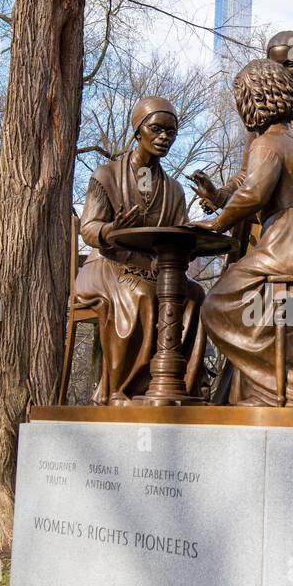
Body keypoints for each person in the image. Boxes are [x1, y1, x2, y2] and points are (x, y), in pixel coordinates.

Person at [195, 59, 293, 407]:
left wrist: (216, 224)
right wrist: (219, 196)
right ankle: (278, 385)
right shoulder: (290, 138)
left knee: (220, 301)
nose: (239, 107)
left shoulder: (267, 142)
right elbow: (247, 184)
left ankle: (292, 384)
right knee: (265, 299)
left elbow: (253, 193)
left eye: (241, 98)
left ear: (254, 98)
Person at [73, 96, 206, 404]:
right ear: (138, 132)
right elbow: (89, 229)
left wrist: (195, 237)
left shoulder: (173, 190)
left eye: (171, 133)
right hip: (105, 263)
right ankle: (125, 389)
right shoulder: (105, 177)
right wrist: (110, 229)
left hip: (153, 269)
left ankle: (177, 383)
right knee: (143, 294)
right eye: (157, 129)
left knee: (194, 295)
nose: (164, 138)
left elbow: (178, 236)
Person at [194, 31, 293, 233]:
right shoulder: (263, 117)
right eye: (277, 66)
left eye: (291, 64)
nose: (284, 72)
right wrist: (220, 193)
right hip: (267, 211)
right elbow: (248, 173)